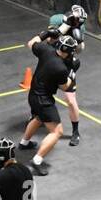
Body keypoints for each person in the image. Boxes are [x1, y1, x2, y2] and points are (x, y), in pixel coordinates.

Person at [18, 32, 77, 175]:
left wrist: (45, 34)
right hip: (43, 100)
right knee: (57, 131)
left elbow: (31, 43)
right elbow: (65, 87)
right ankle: (37, 160)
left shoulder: (46, 50)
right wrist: (72, 72)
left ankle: (24, 143)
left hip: (33, 95)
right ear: (68, 52)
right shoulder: (61, 69)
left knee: (39, 118)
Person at [43, 5, 88, 146]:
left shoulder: (80, 27)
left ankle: (76, 132)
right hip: (51, 57)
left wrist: (79, 41)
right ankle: (37, 115)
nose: (79, 24)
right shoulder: (56, 19)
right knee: (41, 90)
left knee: (70, 99)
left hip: (67, 63)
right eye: (77, 22)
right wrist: (65, 27)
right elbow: (49, 40)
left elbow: (79, 50)